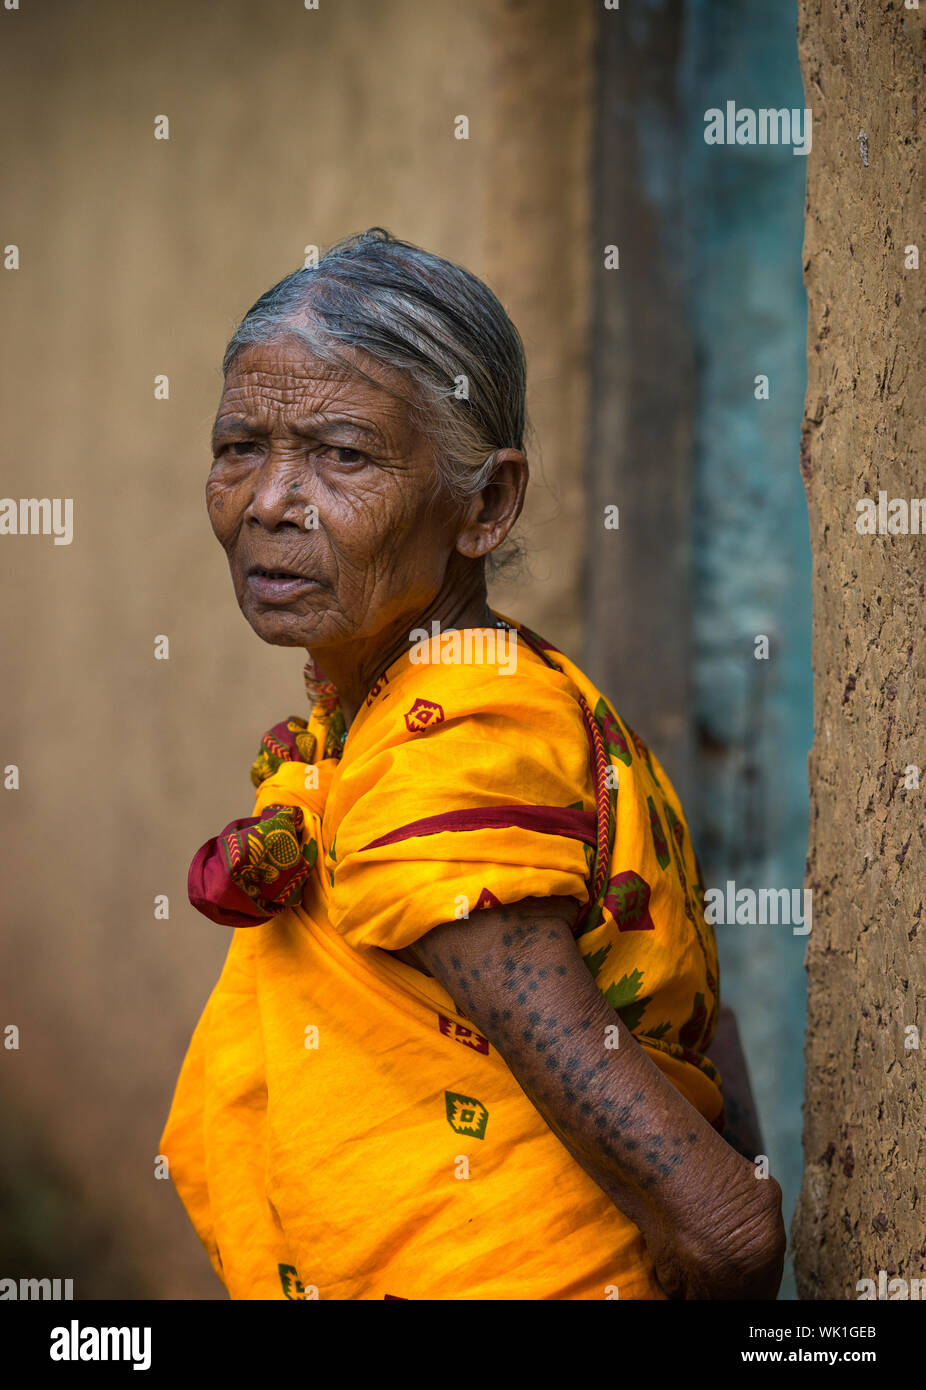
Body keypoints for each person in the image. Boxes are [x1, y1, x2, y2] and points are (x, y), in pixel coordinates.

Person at [160, 228, 785, 1300]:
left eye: (342, 455)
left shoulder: (452, 748)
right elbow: (704, 1036)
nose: (269, 501)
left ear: (484, 506)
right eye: (239, 447)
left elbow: (725, 1229)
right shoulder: (495, 698)